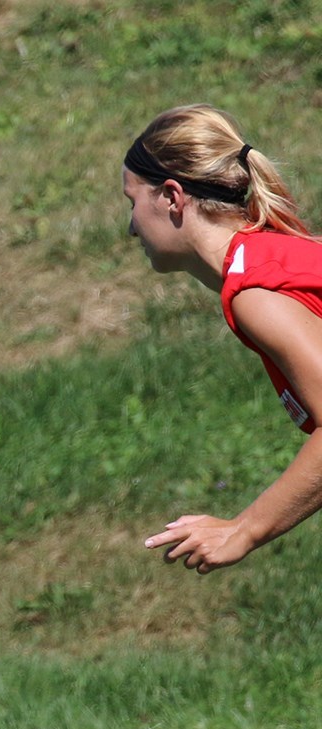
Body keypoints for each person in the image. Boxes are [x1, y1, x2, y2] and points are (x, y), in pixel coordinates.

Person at [126, 105, 322, 572]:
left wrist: (245, 529)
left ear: (172, 197)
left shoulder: (257, 289)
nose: (131, 225)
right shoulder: (272, 255)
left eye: (131, 201)